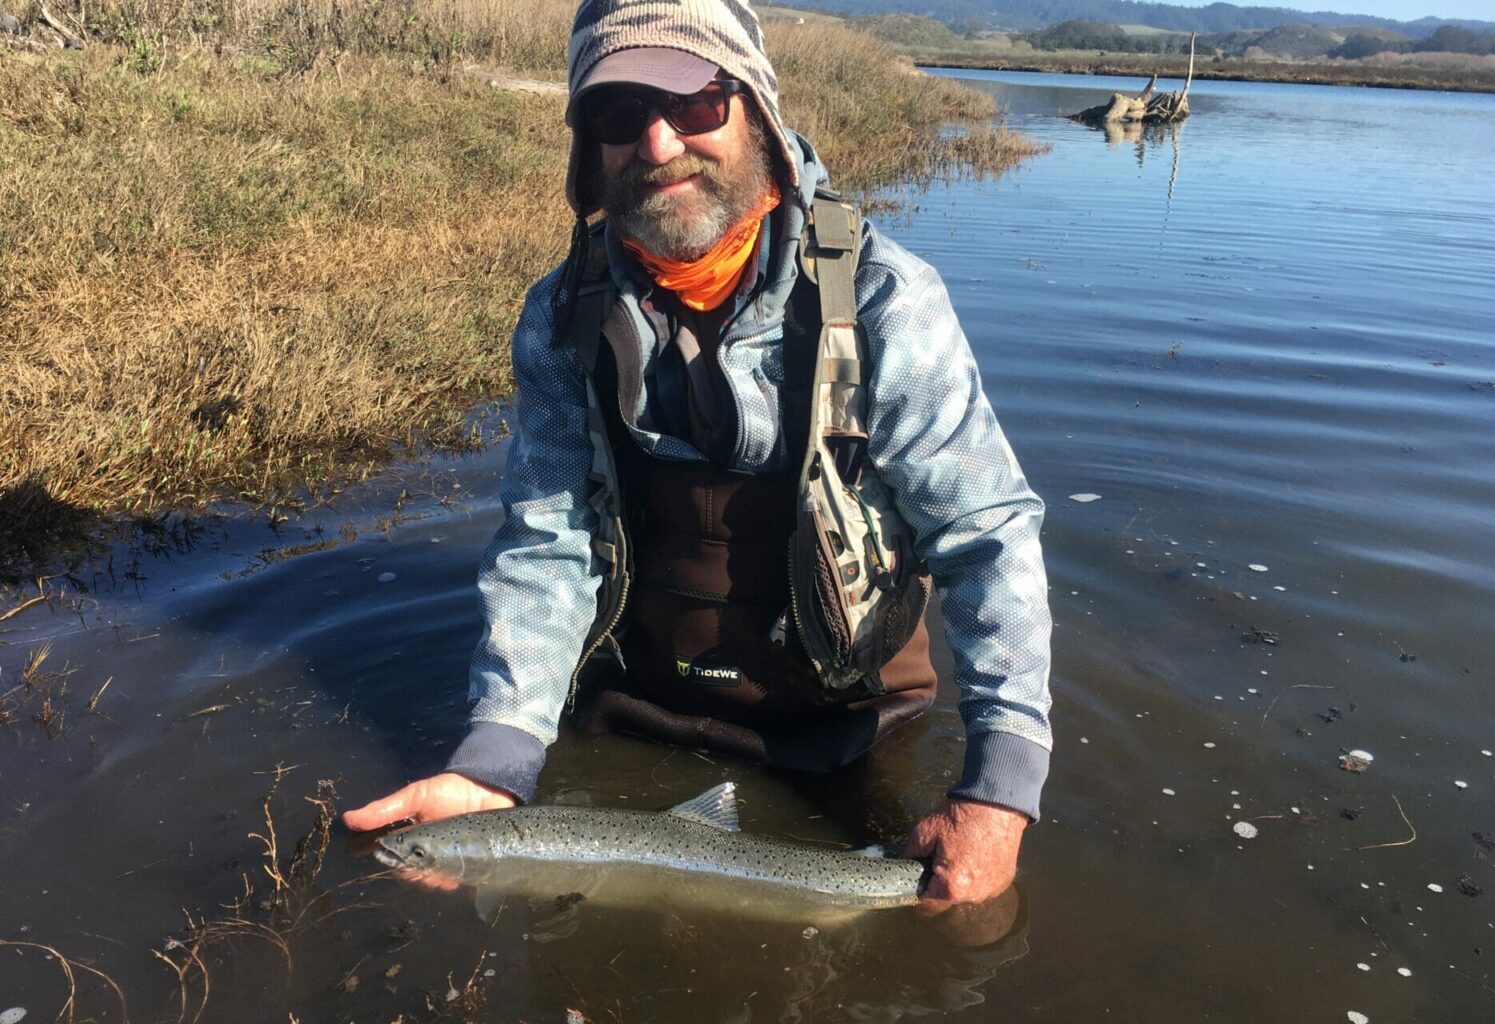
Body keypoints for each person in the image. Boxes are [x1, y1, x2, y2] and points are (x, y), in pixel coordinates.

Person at [344, 0, 1052, 905]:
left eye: (697, 102)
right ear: (588, 152)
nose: (659, 140)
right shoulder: (563, 318)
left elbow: (985, 535)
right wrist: (497, 760)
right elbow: (547, 541)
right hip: (636, 713)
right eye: (618, 113)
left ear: (756, 108)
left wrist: (997, 790)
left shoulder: (883, 300)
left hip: (849, 731)